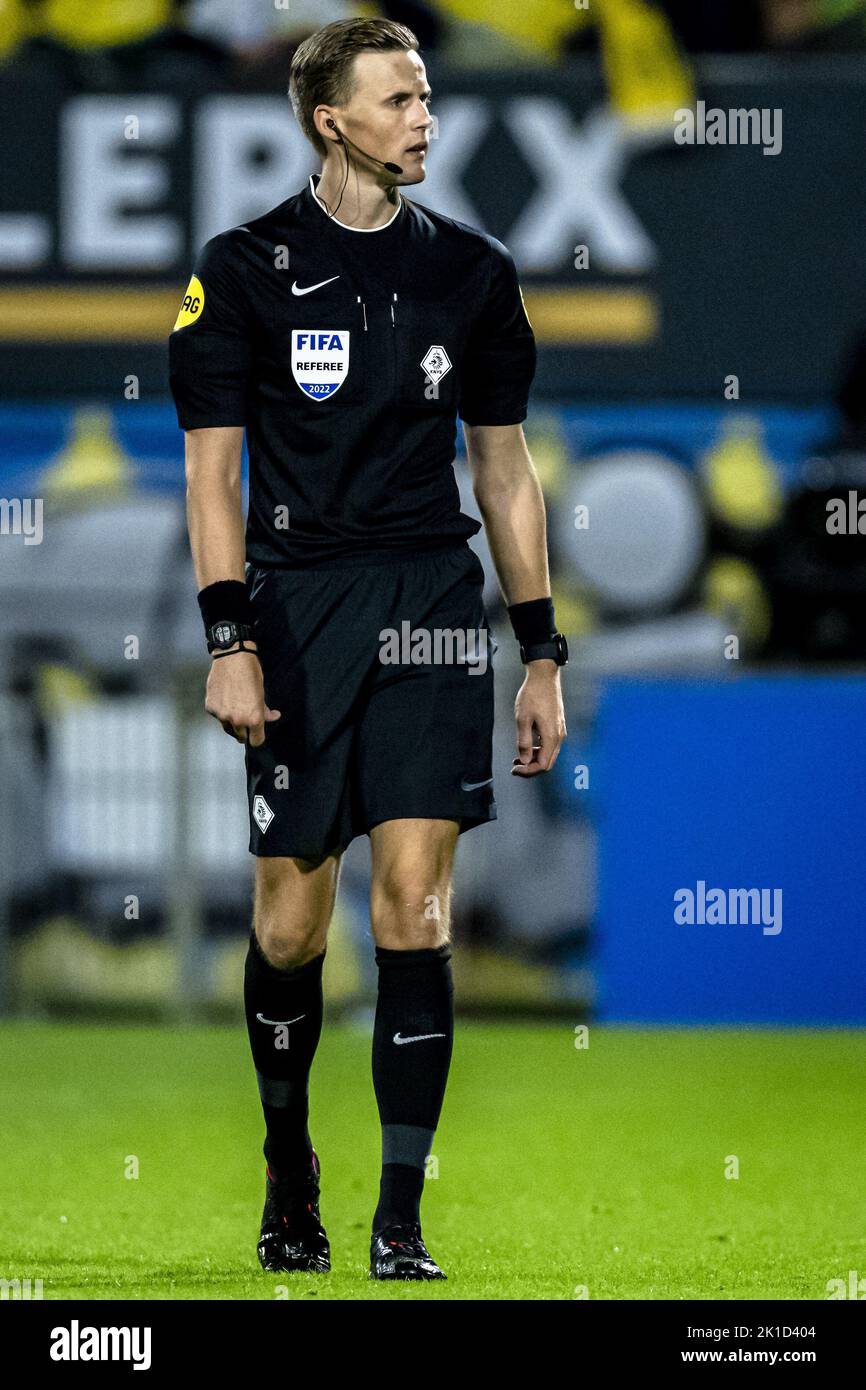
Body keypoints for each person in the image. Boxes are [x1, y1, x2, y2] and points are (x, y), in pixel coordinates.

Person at [168, 16, 567, 1283]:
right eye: (398, 99)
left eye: (428, 96)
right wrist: (226, 636)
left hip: (430, 605)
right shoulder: (241, 269)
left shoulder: (475, 271)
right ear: (329, 119)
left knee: (414, 904)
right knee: (290, 926)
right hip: (293, 610)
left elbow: (503, 472)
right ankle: (293, 1172)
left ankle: (400, 1217)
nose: (426, 118)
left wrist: (540, 649)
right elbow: (211, 473)